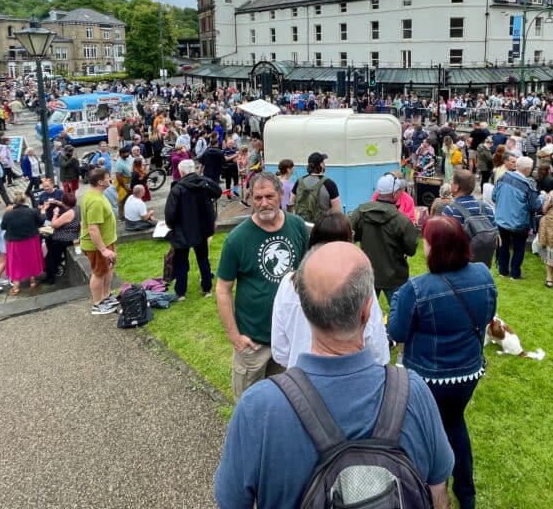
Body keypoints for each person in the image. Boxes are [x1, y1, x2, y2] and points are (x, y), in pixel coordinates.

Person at [213, 241, 453, 509]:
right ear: (367, 310)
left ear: (304, 309)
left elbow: (231, 502)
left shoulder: (259, 407)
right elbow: (438, 493)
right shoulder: (415, 393)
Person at [388, 216, 497, 509]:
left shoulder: (417, 288)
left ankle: (426, 492)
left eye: (426, 240)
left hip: (427, 376)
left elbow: (397, 331)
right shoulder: (483, 275)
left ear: (434, 247)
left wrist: (398, 298)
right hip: (468, 372)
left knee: (424, 433)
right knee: (454, 424)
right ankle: (467, 494)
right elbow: (488, 315)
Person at [216, 171, 309, 399]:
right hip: (254, 341)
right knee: (249, 404)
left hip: (288, 337)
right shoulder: (237, 239)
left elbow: (306, 275)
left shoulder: (297, 226)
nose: (264, 203)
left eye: (269, 196)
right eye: (257, 198)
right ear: (250, 198)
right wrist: (235, 336)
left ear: (280, 195)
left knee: (287, 402)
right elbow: (223, 289)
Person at [271, 211, 390, 368]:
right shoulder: (360, 285)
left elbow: (280, 348)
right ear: (349, 244)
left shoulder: (287, 284)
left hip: (300, 379)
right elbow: (377, 348)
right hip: (349, 378)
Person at [350, 172, 420, 308]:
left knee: (363, 316)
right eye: (399, 190)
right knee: (400, 315)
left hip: (368, 273)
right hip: (394, 276)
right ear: (394, 194)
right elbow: (411, 249)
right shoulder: (402, 221)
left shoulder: (360, 213)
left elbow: (351, 236)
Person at [164, 158, 223, 301]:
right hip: (201, 229)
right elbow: (218, 192)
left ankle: (181, 292)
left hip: (183, 229)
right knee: (202, 258)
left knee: (181, 261)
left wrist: (172, 226)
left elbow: (170, 213)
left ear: (181, 171)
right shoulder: (202, 184)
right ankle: (207, 288)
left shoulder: (179, 188)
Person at [492, 154, 543, 280]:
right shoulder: (527, 185)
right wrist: (541, 197)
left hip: (502, 220)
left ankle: (502, 271)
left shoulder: (503, 177)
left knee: (503, 246)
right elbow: (535, 206)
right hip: (519, 223)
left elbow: (494, 196)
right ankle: (515, 274)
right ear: (527, 169)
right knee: (518, 248)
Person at [80, 168, 119, 315]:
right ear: (101, 181)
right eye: (108, 177)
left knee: (108, 268)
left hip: (107, 241)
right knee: (99, 272)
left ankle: (106, 296)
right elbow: (93, 229)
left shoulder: (95, 194)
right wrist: (103, 249)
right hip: (97, 245)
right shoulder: (95, 201)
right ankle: (97, 304)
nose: (110, 179)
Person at [0, 190, 44, 296]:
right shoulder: (32, 211)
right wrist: (42, 212)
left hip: (14, 242)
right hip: (30, 240)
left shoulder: (8, 214)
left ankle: (16, 286)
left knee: (15, 262)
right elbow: (40, 222)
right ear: (25, 201)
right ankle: (32, 281)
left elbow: (3, 227)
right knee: (31, 259)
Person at [290, 152, 341, 223]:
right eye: (323, 162)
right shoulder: (329, 184)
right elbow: (337, 210)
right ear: (321, 165)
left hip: (301, 225)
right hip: (321, 228)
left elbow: (291, 204)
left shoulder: (299, 182)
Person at [43, 192, 79, 284]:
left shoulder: (68, 214)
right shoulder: (77, 208)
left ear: (65, 203)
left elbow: (54, 225)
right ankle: (59, 262)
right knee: (50, 241)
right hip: (73, 236)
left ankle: (50, 278)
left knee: (50, 257)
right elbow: (65, 204)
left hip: (62, 239)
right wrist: (58, 202)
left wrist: (55, 213)